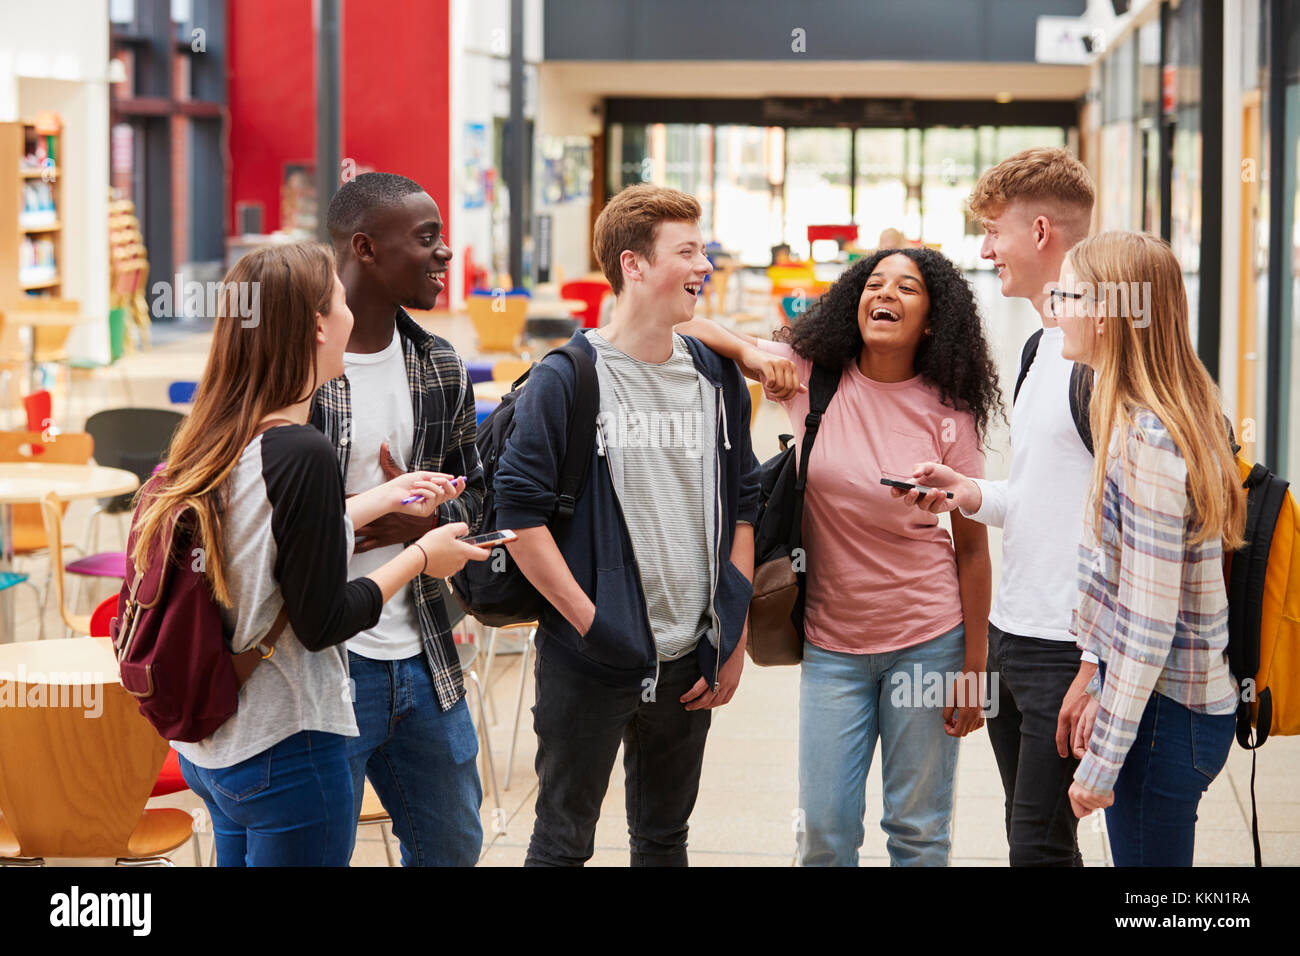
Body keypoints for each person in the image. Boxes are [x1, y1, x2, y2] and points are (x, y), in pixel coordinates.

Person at [132, 242, 487, 866]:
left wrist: (383, 497)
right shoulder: (303, 451)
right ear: (319, 325)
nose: (353, 312)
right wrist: (423, 557)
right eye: (341, 300)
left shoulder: (220, 434)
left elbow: (264, 542)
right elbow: (324, 619)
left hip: (216, 751)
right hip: (289, 744)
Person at [679, 245, 1001, 866]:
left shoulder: (950, 411)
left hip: (928, 638)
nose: (885, 295)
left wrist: (975, 665)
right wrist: (751, 355)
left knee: (918, 831)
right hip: (832, 646)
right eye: (874, 284)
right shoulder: (811, 377)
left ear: (932, 320)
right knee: (823, 832)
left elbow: (972, 549)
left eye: (907, 288)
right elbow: (681, 321)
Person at [494, 184, 760, 867]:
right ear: (633, 265)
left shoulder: (714, 374)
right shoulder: (567, 378)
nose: (705, 265)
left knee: (664, 839)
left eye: (703, 248)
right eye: (688, 251)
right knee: (561, 841)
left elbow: (745, 500)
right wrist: (591, 624)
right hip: (589, 662)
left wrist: (732, 633)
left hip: (689, 659)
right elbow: (518, 515)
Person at [895, 146, 1099, 866]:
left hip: (1067, 644)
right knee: (1033, 842)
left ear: (1041, 233)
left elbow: (1136, 521)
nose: (985, 248)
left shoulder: (1099, 356)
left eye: (994, 230)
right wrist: (969, 493)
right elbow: (1047, 499)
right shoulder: (1045, 345)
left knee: (1039, 848)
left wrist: (1097, 664)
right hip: (1016, 633)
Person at [315, 171, 488, 866]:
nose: (445, 254)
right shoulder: (297, 365)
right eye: (426, 239)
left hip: (423, 655)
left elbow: (479, 500)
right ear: (364, 248)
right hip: (325, 662)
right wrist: (361, 514)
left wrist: (422, 526)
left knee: (453, 849)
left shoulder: (440, 366)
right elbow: (252, 515)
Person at [1057, 231, 1244, 865]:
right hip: (1164, 708)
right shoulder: (1149, 417)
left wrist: (1102, 762)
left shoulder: (1149, 442)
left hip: (1168, 717)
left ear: (1107, 312)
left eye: (1070, 293)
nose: (1057, 305)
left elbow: (1147, 621)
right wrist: (1093, 676)